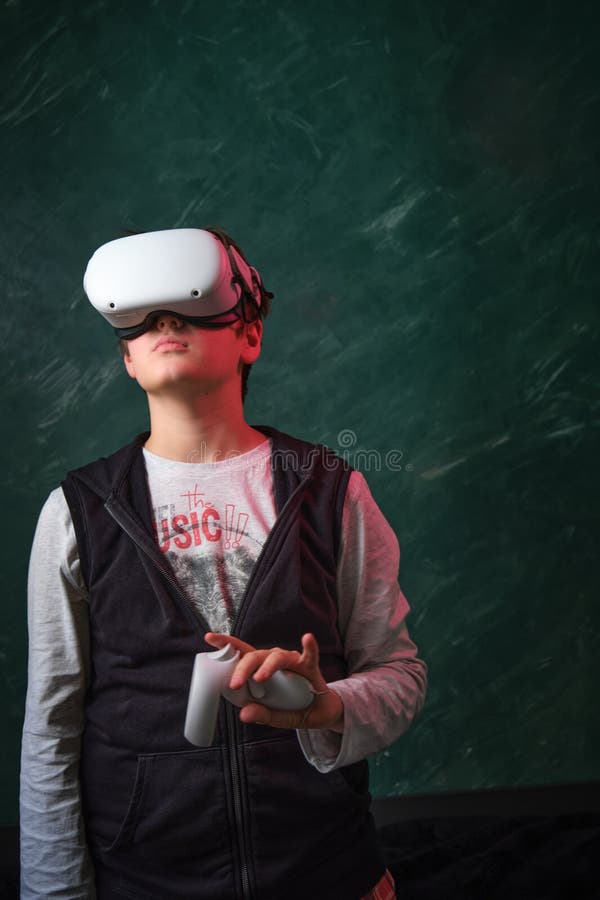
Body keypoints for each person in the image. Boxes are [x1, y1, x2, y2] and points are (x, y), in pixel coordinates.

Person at [20, 227, 428, 899]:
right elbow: (52, 724)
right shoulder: (76, 513)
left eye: (185, 308)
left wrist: (328, 706)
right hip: (147, 881)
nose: (164, 323)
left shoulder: (331, 490)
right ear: (125, 358)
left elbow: (400, 674)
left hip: (326, 873)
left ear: (250, 337)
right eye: (143, 319)